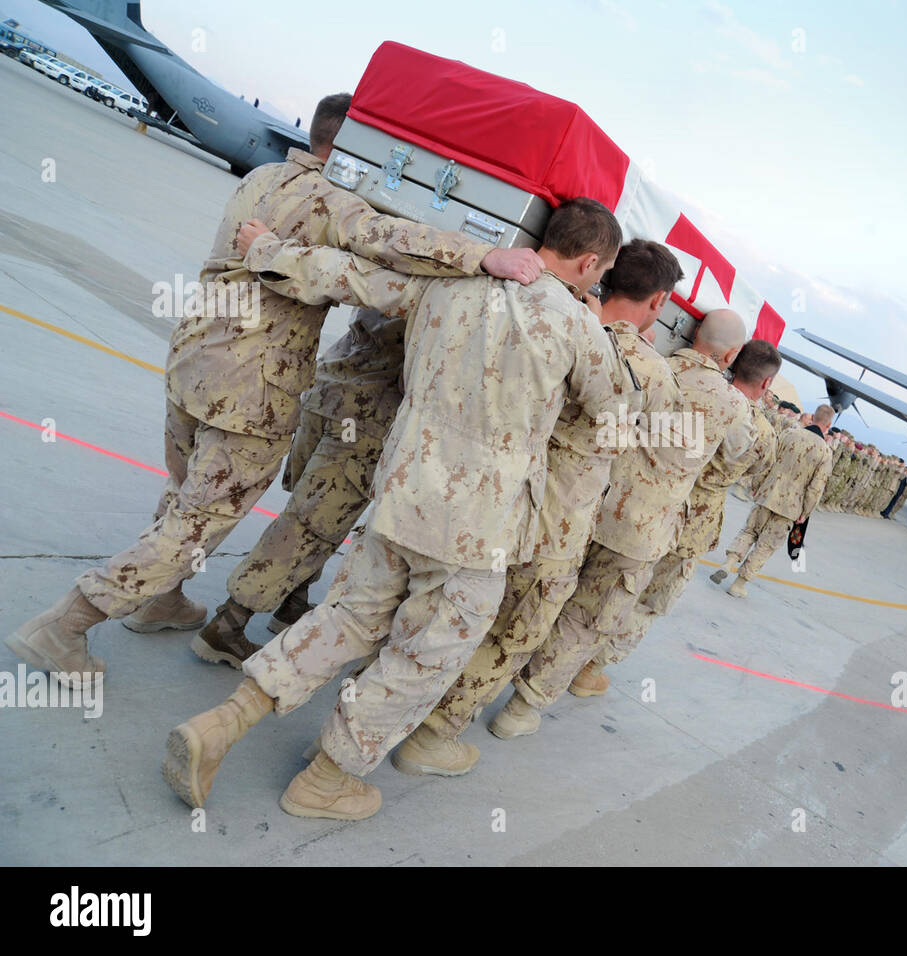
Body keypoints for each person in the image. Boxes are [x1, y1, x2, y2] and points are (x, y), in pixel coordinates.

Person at [6, 92, 542, 689]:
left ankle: (161, 600)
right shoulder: (334, 203)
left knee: (185, 492)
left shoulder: (263, 176)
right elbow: (390, 240)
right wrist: (486, 254)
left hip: (194, 361)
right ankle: (66, 624)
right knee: (196, 523)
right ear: (352, 150)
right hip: (252, 393)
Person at [160, 198, 628, 820]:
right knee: (425, 655)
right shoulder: (576, 325)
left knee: (347, 616)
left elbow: (347, 276)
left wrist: (267, 249)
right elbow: (615, 411)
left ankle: (223, 723)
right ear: (590, 261)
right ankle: (327, 778)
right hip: (476, 529)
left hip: (401, 492)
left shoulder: (448, 283)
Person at [386, 239, 683, 777]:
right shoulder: (649, 372)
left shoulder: (537, 305)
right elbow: (638, 449)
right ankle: (432, 736)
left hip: (483, 495)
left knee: (431, 604)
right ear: (658, 301)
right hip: (554, 523)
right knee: (510, 631)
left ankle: (375, 714)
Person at [486, 310, 752, 740]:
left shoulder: (654, 365)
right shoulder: (734, 404)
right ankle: (519, 709)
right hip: (641, 532)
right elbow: (735, 458)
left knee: (534, 590)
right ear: (732, 353)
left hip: (590, 501)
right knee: (587, 618)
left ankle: (478, 682)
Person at [569, 338, 781, 696]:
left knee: (593, 579)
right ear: (765, 383)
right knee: (648, 601)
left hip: (639, 498)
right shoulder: (758, 430)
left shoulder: (687, 380)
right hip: (692, 524)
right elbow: (757, 467)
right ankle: (589, 670)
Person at [711, 404, 834, 597]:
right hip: (791, 506)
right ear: (828, 425)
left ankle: (729, 562)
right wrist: (805, 512)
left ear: (812, 418)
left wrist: (757, 485)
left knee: (749, 530)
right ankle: (739, 584)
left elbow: (769, 461)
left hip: (768, 493)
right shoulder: (825, 453)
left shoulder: (788, 434)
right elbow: (816, 488)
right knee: (766, 545)